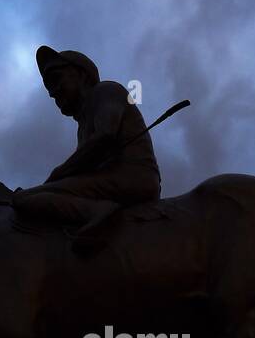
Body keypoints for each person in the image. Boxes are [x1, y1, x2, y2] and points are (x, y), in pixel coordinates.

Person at [11, 46, 161, 241]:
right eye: (48, 87)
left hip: (133, 177)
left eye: (56, 79)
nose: (52, 93)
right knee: (38, 197)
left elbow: (104, 137)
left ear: (81, 75)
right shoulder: (82, 126)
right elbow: (85, 172)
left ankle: (98, 211)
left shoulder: (106, 91)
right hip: (116, 180)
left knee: (23, 199)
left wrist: (57, 175)